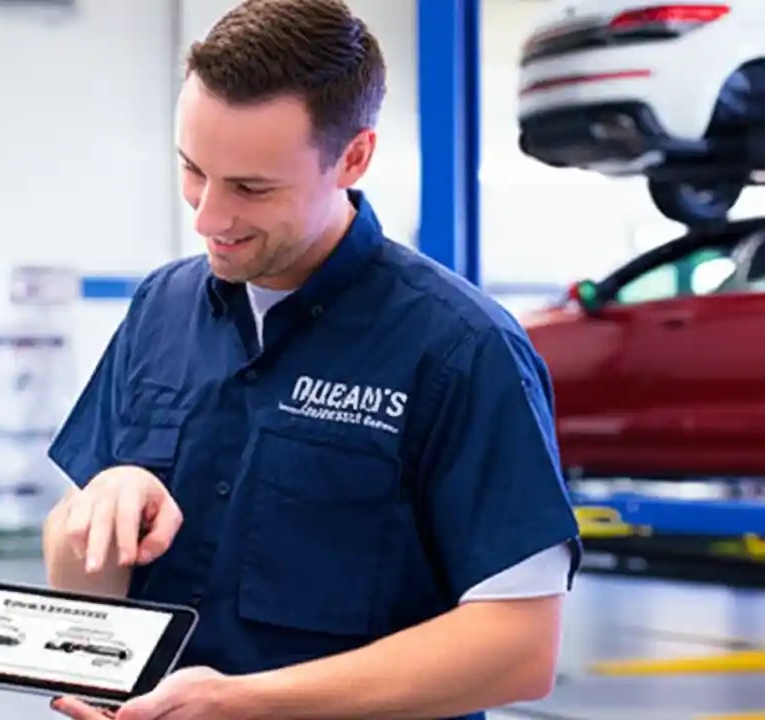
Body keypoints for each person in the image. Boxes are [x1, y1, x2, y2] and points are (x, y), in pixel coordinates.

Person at [41, 1, 583, 719]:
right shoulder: (161, 308)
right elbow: (80, 580)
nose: (207, 218)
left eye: (251, 189)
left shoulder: (461, 348)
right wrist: (100, 504)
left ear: (353, 157)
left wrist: (248, 703)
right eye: (193, 170)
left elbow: (518, 647)